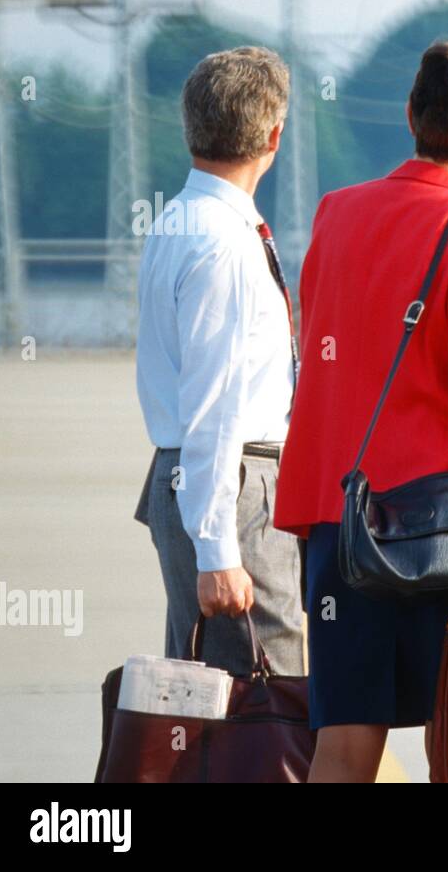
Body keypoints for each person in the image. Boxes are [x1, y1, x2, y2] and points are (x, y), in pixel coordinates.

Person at [273, 41, 448, 782]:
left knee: (345, 737)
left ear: (410, 116)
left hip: (343, 523)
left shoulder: (336, 213)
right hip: (441, 530)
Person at [134, 46, 305, 676]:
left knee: (207, 703)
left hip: (189, 476)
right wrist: (216, 549)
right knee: (273, 699)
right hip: (231, 489)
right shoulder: (225, 243)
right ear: (274, 136)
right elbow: (214, 401)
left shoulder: (176, 221)